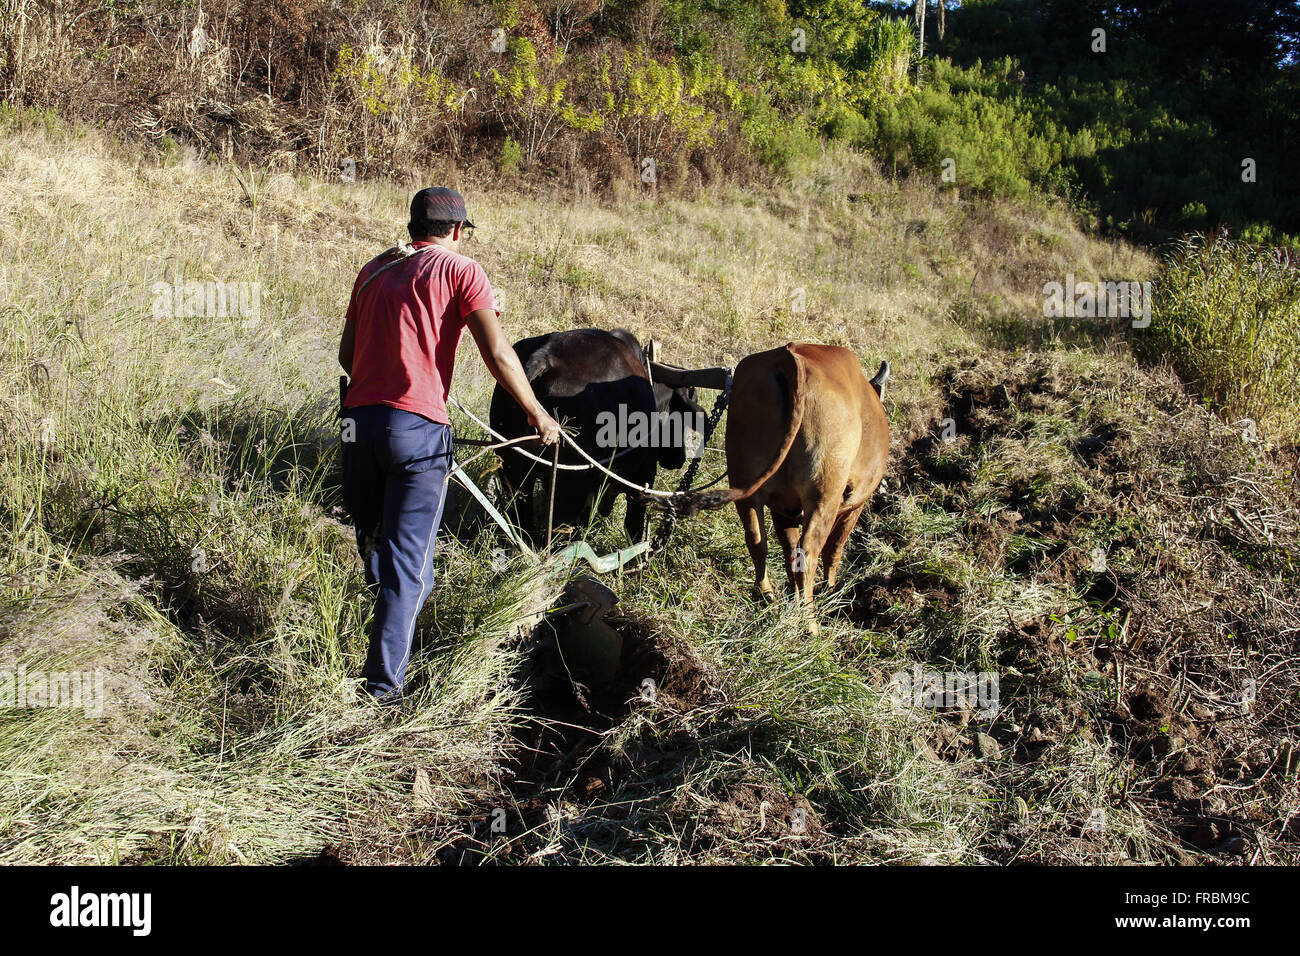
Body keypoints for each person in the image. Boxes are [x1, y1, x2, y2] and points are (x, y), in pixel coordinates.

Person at [337, 187, 561, 702]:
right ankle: (382, 690)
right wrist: (537, 413)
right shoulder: (463, 271)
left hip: (359, 429)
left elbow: (348, 356)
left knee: (383, 549)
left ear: (414, 225)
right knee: (410, 566)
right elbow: (499, 353)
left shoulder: (372, 270)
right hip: (416, 433)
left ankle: (387, 634)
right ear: (458, 231)